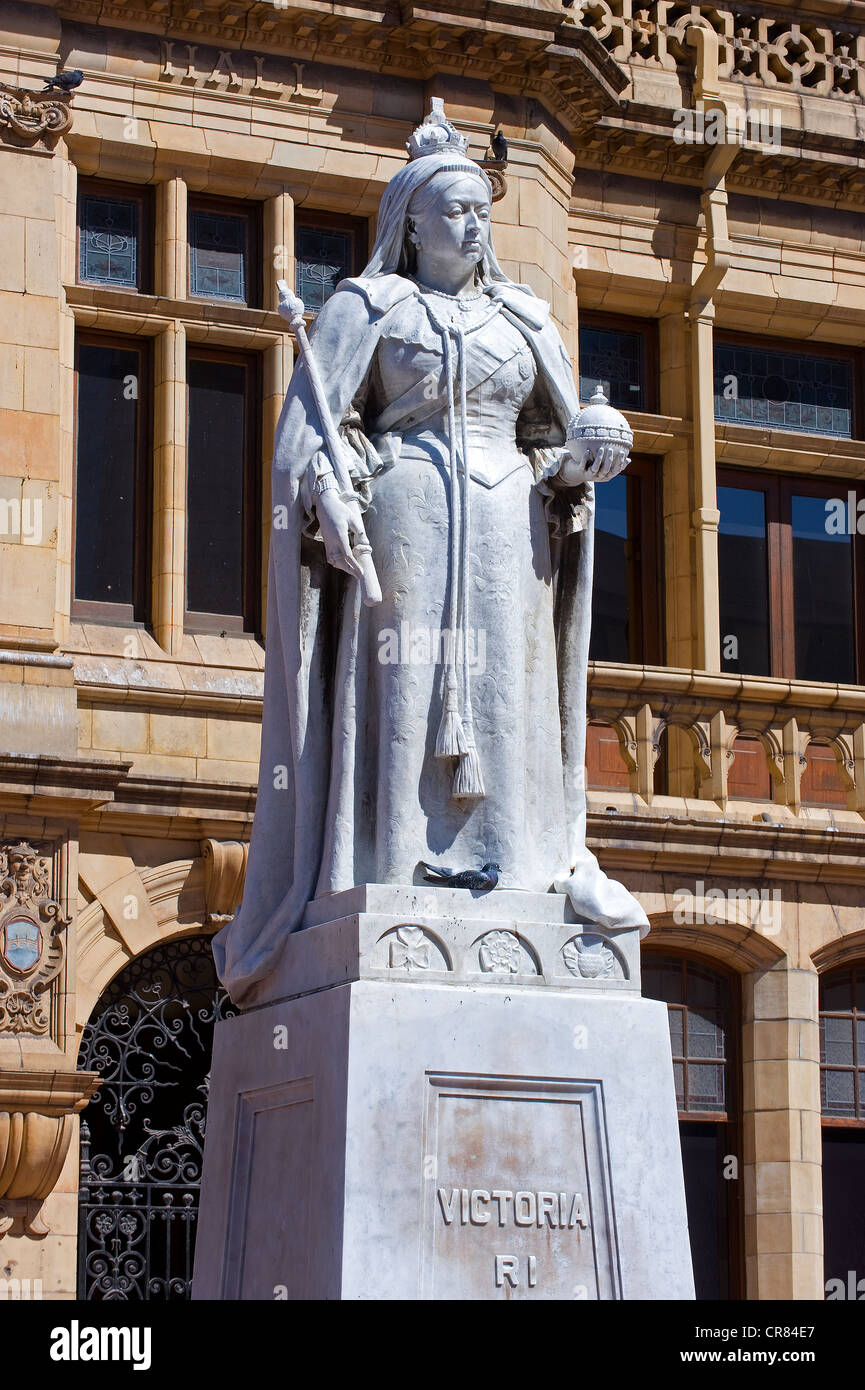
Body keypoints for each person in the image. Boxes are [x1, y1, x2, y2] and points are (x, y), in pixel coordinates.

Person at [214, 100, 648, 1004]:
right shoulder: (365, 306)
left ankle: (520, 858)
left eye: (481, 210)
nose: (472, 223)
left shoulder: (526, 319)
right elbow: (311, 437)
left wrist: (581, 459)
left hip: (509, 520)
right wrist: (329, 501)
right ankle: (393, 854)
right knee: (405, 678)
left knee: (508, 690)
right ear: (408, 221)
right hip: (408, 507)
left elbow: (554, 445)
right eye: (452, 209)